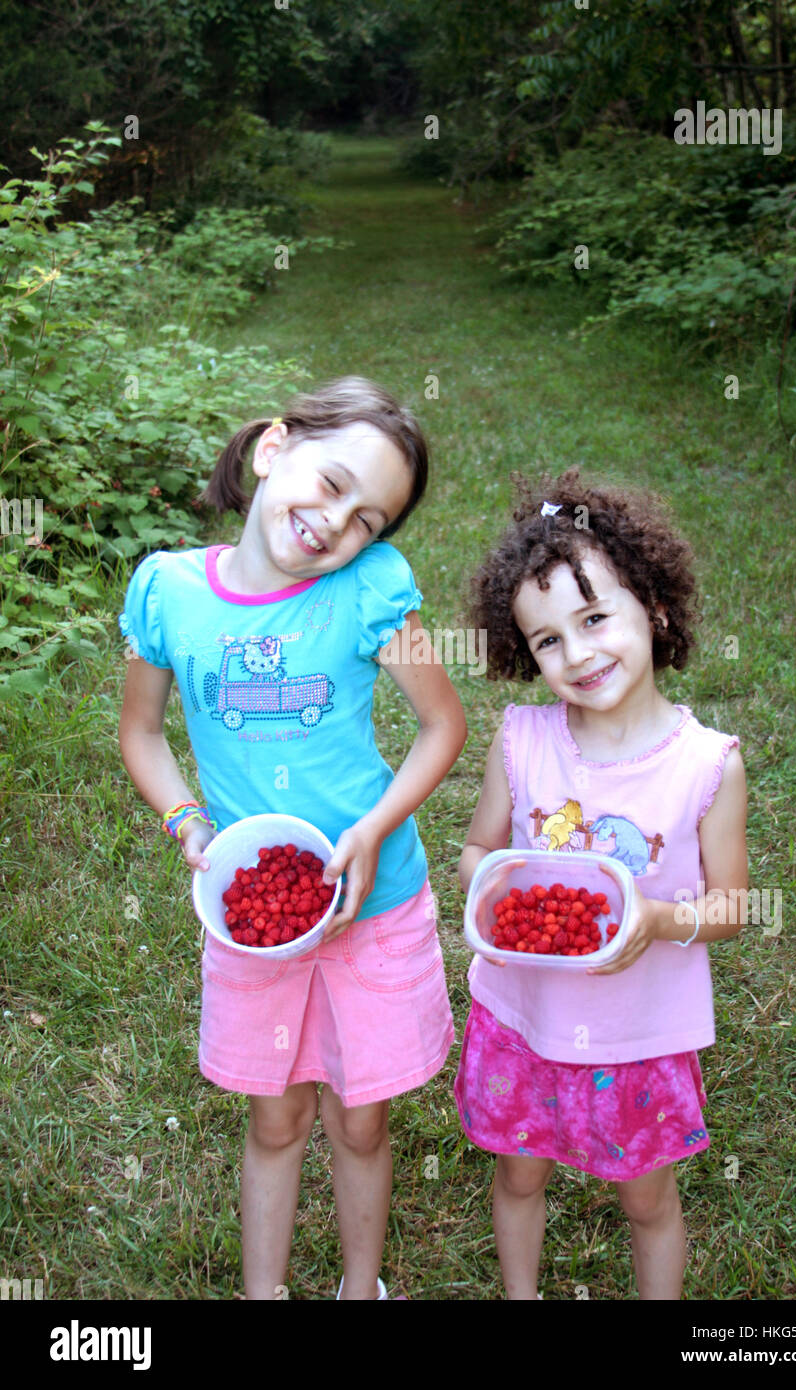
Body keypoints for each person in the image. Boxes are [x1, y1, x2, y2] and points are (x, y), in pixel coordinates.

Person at [118, 376, 467, 1301]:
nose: (336, 522)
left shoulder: (366, 592)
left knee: (359, 1123)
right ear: (274, 449)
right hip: (253, 918)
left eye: (368, 517)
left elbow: (443, 728)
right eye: (333, 481)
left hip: (374, 900)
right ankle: (261, 1293)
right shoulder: (169, 593)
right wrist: (185, 819)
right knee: (275, 1122)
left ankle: (362, 1289)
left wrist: (370, 832)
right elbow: (141, 733)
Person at [454, 468, 748, 1300]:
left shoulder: (707, 767)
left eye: (594, 618)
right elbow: (478, 853)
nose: (578, 653)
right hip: (524, 1014)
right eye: (548, 640)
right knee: (518, 1179)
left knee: (646, 1199)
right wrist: (497, 895)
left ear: (652, 607)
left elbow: (730, 906)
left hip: (640, 1032)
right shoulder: (522, 741)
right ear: (525, 653)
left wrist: (656, 918)